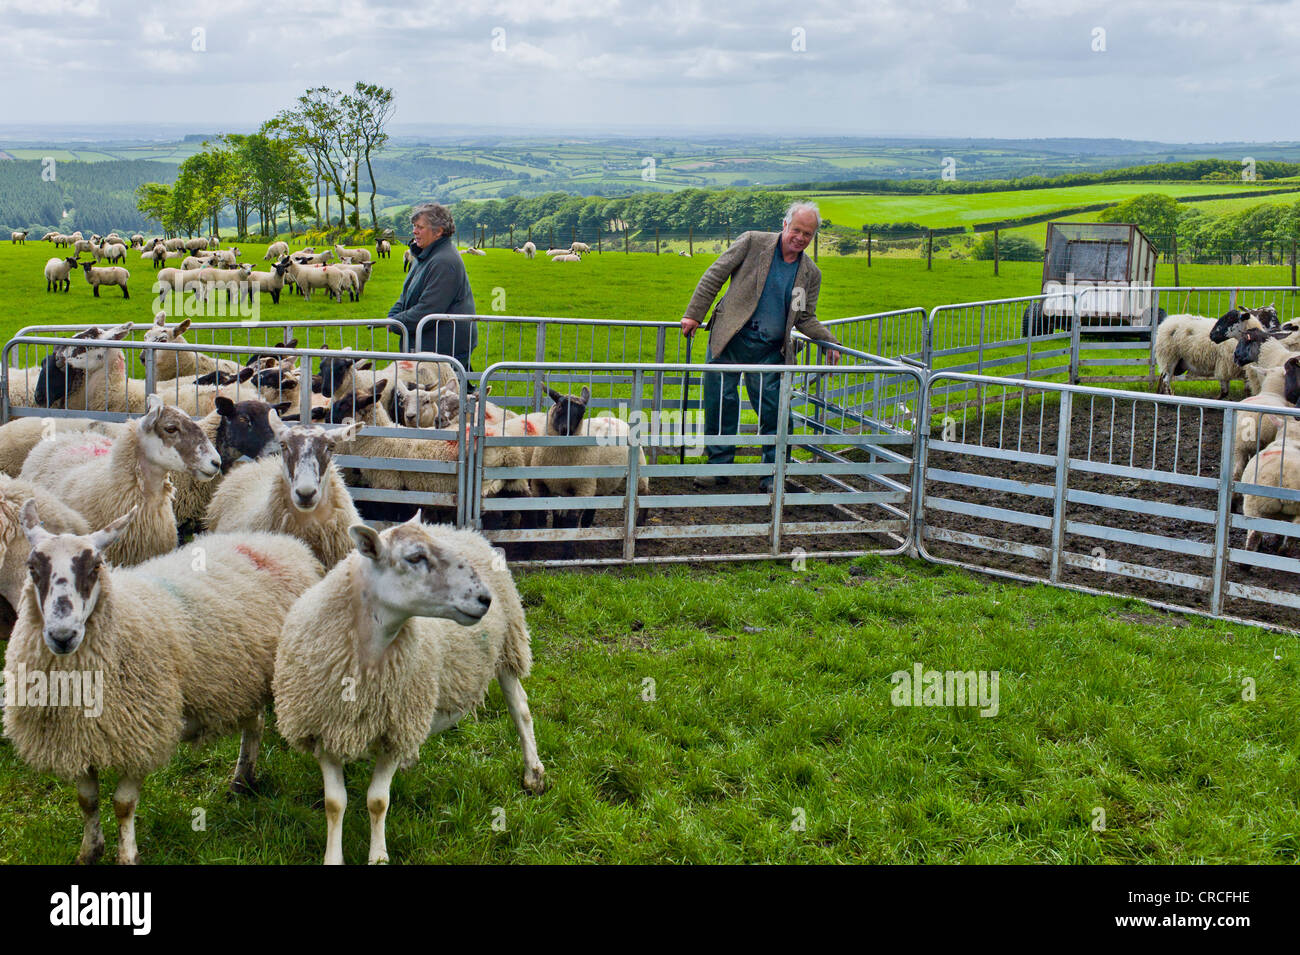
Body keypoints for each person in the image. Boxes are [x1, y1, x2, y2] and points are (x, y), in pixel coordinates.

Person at [680, 201, 841, 492]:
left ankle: (774, 474)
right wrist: (694, 314)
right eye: (797, 230)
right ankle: (718, 468)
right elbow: (715, 274)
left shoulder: (809, 273)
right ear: (785, 225)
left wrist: (828, 339)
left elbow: (803, 316)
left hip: (770, 350)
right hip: (730, 339)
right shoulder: (753, 243)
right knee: (721, 403)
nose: (801, 238)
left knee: (775, 411)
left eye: (808, 234)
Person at [387, 202, 477, 372]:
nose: (414, 231)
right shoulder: (424, 255)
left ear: (438, 231)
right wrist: (393, 316)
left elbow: (429, 310)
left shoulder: (443, 261)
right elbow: (406, 296)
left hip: (442, 352)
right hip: (428, 348)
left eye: (420, 227)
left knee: (444, 397)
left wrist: (395, 323)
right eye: (414, 226)